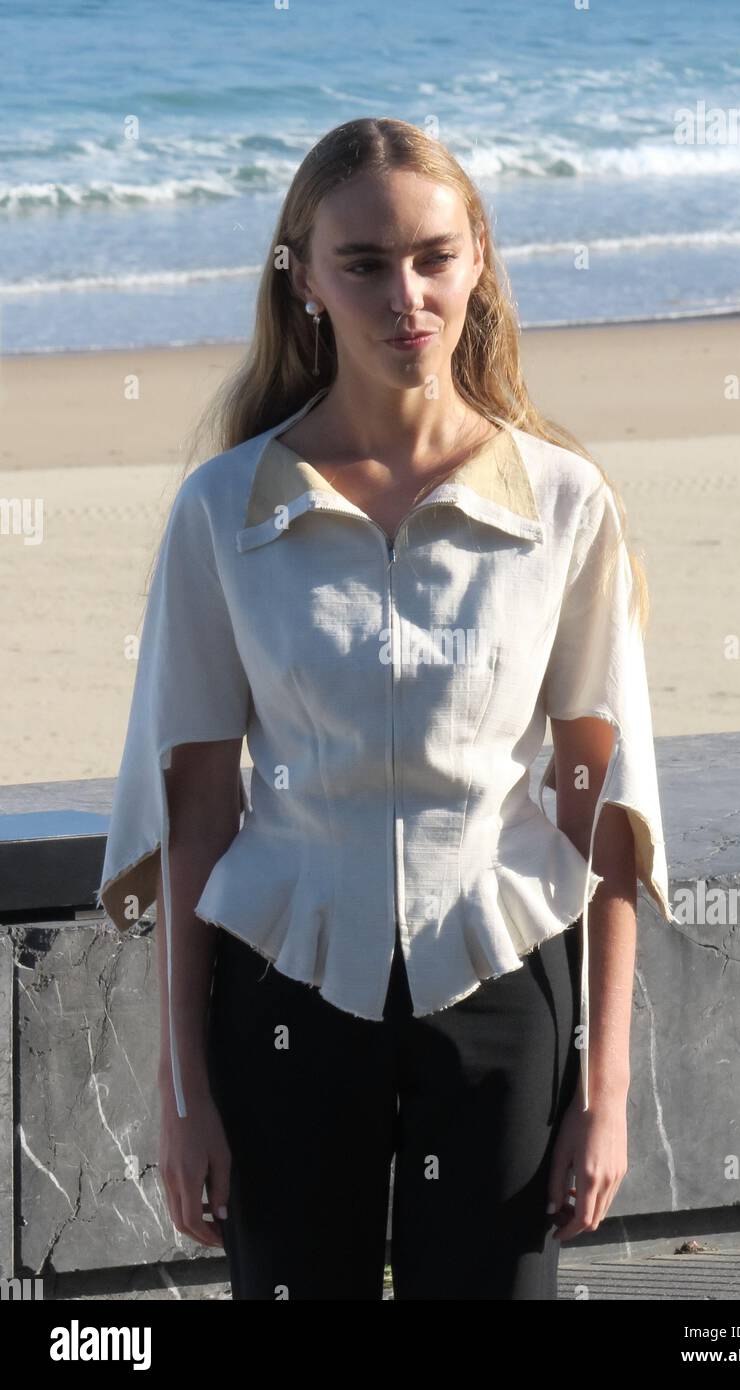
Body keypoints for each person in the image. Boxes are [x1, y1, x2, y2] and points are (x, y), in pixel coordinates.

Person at [97, 116, 675, 1301]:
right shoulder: (221, 511)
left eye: (431, 256)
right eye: (361, 263)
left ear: (477, 262)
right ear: (302, 278)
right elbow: (197, 808)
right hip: (282, 1000)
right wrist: (183, 1096)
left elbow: (600, 815)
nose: (403, 295)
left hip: (505, 998)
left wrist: (603, 1095)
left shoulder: (564, 504)